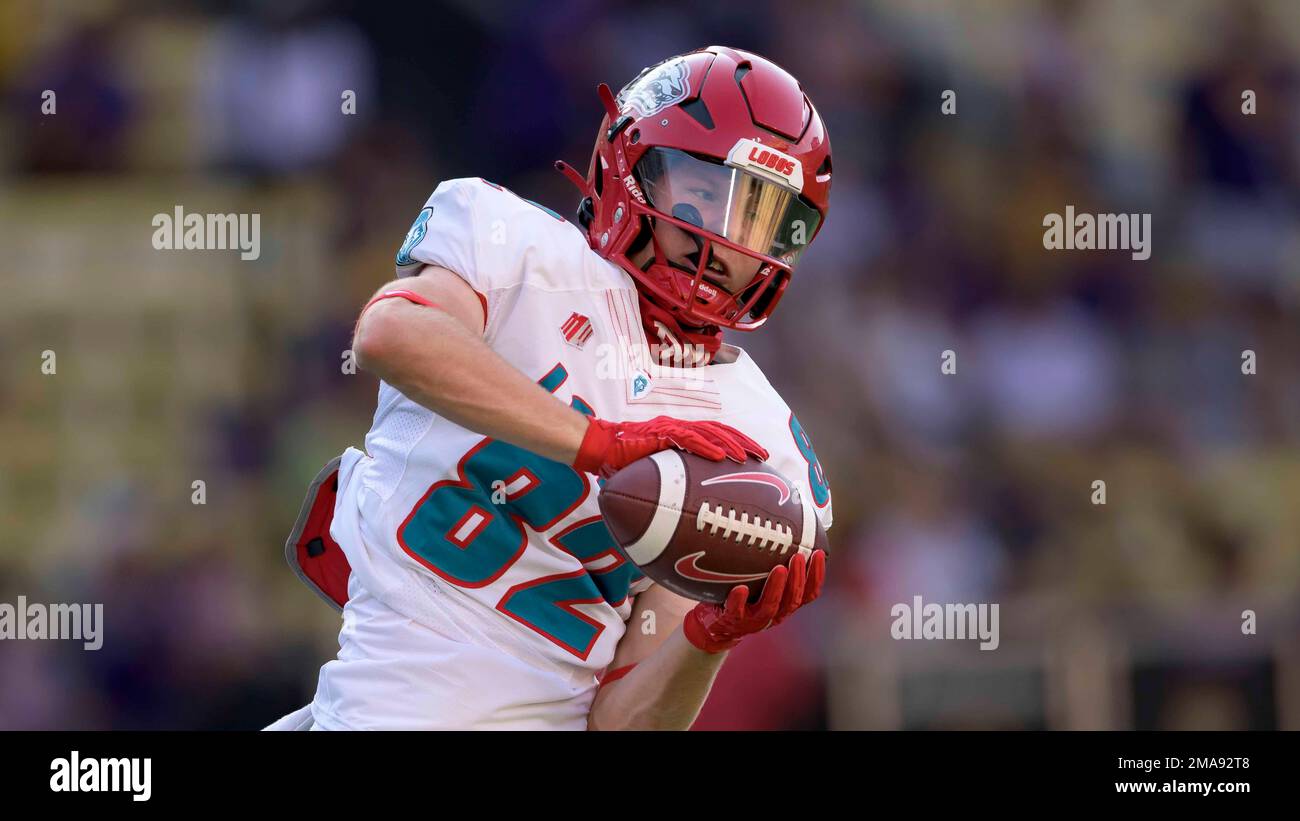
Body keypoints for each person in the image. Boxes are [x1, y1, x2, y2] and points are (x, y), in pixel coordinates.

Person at [268, 46, 834, 730]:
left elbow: (620, 722)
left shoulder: (757, 437)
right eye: (707, 191)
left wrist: (710, 635)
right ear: (631, 164)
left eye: (757, 217)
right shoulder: (515, 246)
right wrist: (601, 444)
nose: (724, 239)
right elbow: (391, 333)